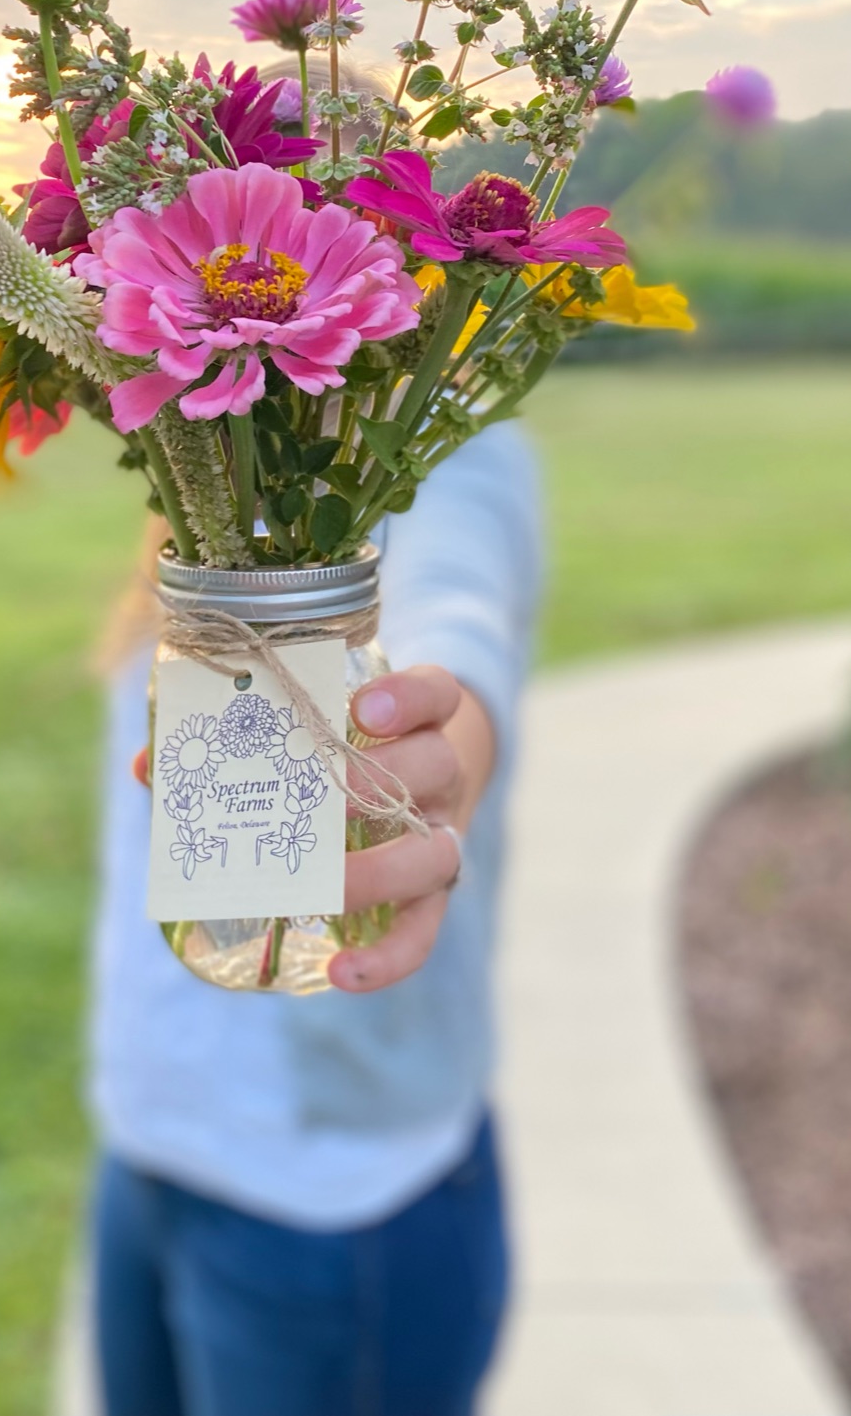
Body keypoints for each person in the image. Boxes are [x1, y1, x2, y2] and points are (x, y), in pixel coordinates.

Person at [88, 417, 540, 1416]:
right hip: (150, 1146)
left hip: (332, 1203)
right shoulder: (201, 446)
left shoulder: (447, 441)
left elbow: (460, 622)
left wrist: (435, 765)